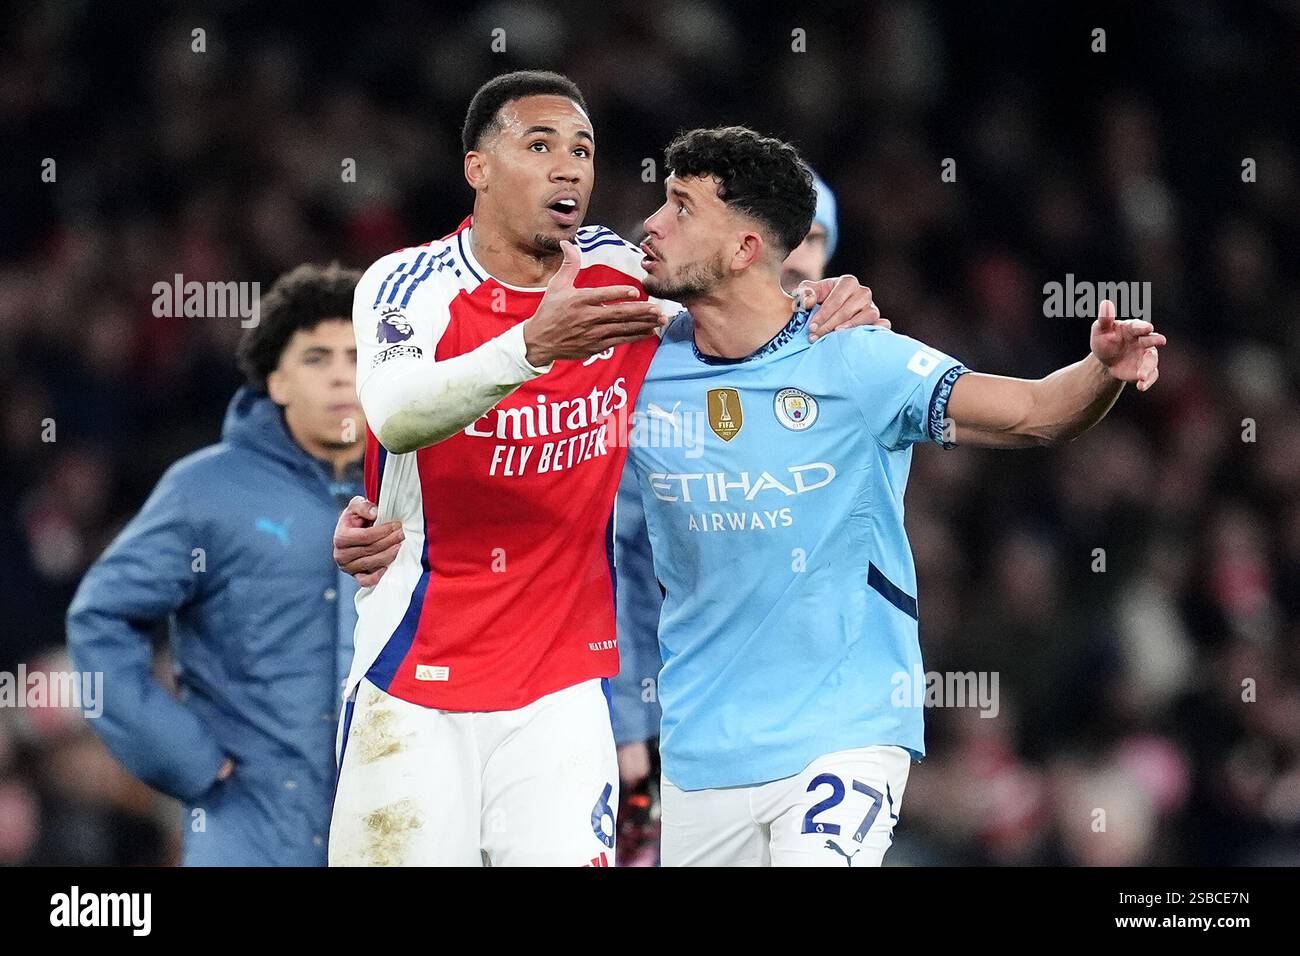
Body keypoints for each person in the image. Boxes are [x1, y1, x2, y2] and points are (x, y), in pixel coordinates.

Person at [344, 125, 1165, 868]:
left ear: (744, 246)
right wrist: (377, 523)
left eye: (680, 208)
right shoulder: (636, 362)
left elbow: (1034, 413)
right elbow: (502, 448)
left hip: (843, 734)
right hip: (701, 750)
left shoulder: (856, 360)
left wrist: (1100, 369)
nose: (649, 225)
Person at [328, 70, 882, 868]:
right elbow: (396, 411)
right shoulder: (409, 284)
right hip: (414, 681)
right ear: (478, 168)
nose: (569, 167)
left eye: (583, 150)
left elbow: (739, 327)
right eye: (540, 145)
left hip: (562, 697)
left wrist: (828, 311)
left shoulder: (622, 275)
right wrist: (531, 347)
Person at [66, 263, 366, 866]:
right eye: (317, 358)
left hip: (393, 830)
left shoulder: (425, 487)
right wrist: (183, 757)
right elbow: (100, 620)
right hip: (247, 831)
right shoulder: (204, 490)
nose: (341, 375)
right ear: (276, 381)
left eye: (358, 357)